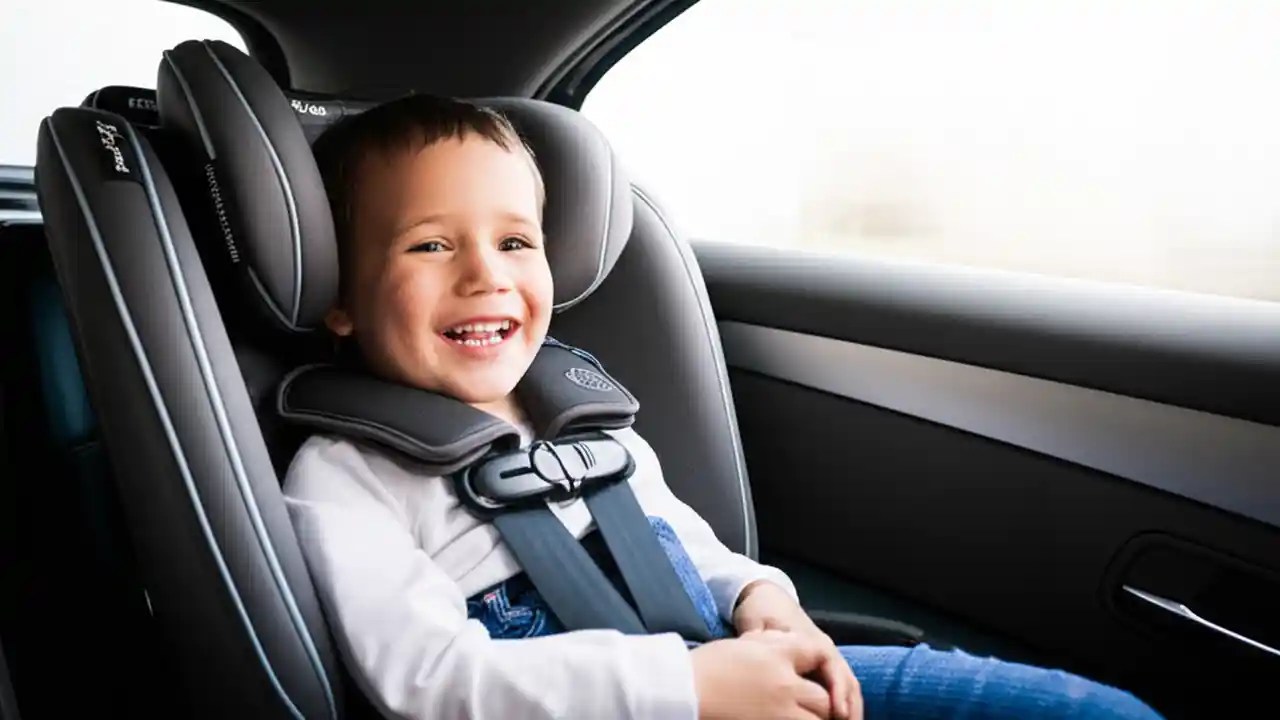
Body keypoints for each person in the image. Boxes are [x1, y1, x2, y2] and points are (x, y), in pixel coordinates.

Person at [282, 94, 1164, 720]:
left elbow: (680, 542)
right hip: (635, 701)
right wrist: (693, 692)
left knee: (1102, 711)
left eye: (516, 241)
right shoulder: (344, 475)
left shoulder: (577, 411)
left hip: (732, 665)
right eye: (431, 244)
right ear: (341, 297)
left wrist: (760, 600)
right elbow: (432, 683)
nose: (486, 275)